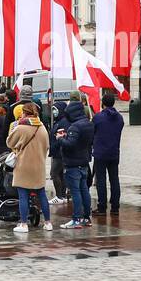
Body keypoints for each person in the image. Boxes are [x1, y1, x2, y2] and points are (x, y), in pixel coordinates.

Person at [7, 102, 53, 232]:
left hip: (23, 166)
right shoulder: (42, 127)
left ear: (25, 113)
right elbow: (47, 146)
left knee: (23, 196)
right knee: (41, 194)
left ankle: (23, 224)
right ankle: (48, 223)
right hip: (39, 166)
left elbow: (9, 142)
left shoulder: (21, 127)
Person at [57, 94, 94, 228]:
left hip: (73, 163)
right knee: (84, 190)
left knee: (75, 192)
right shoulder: (88, 124)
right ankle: (86, 217)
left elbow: (70, 144)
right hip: (84, 161)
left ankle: (76, 219)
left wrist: (61, 139)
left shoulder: (75, 127)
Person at [91, 92, 124, 216]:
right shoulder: (119, 118)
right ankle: (115, 207)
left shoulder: (98, 117)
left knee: (101, 180)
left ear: (103, 103)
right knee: (114, 179)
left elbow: (92, 132)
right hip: (114, 152)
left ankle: (102, 206)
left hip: (100, 153)